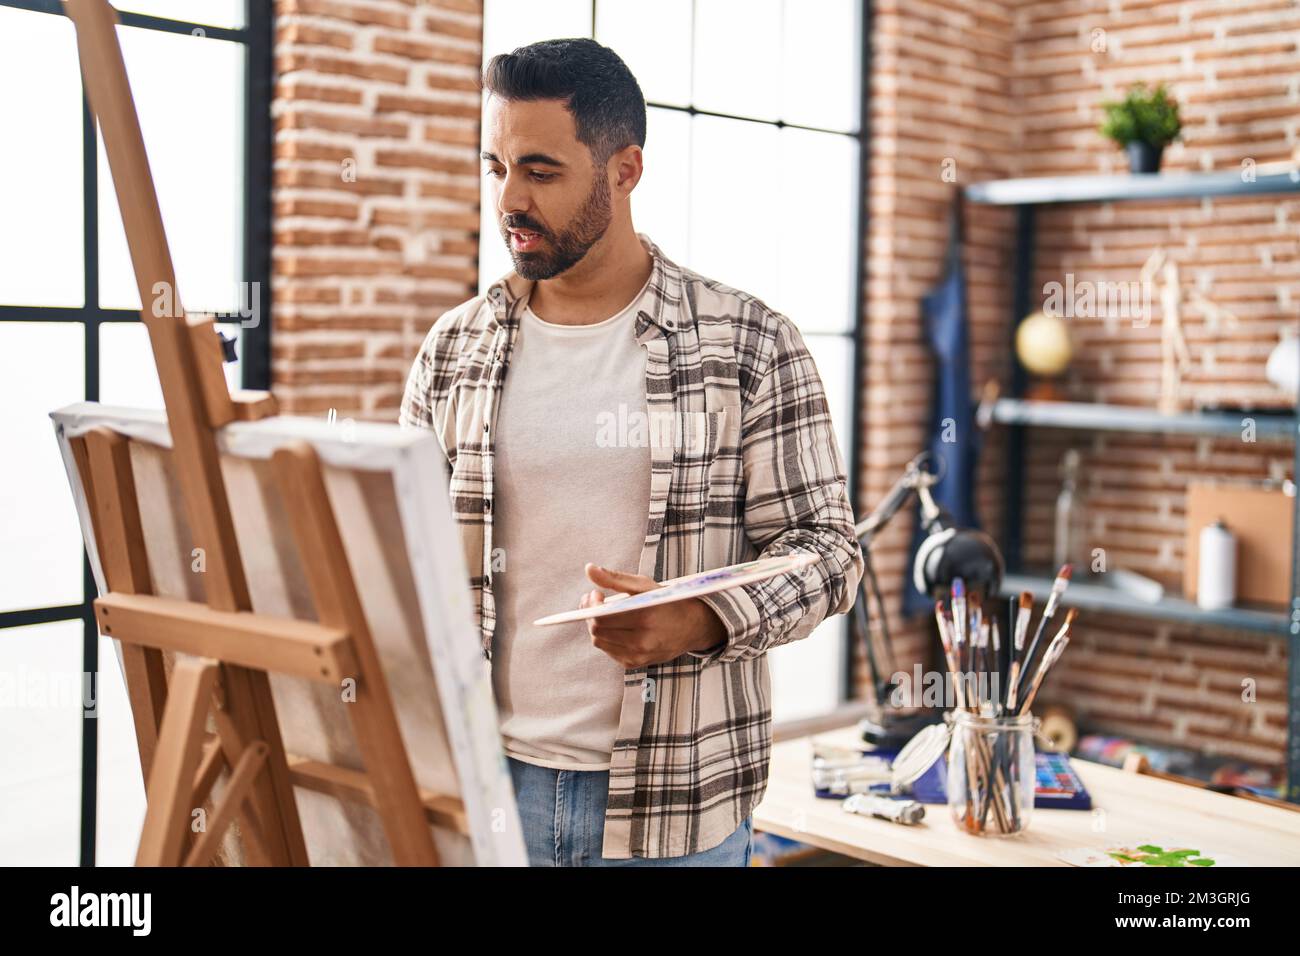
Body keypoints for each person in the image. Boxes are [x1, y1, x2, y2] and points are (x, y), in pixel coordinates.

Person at [400, 37, 864, 866]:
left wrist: (700, 621)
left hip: (677, 804)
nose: (509, 197)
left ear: (625, 170)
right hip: (483, 791)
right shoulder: (454, 349)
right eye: (496, 167)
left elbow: (830, 558)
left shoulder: (748, 344)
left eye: (540, 172)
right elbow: (404, 556)